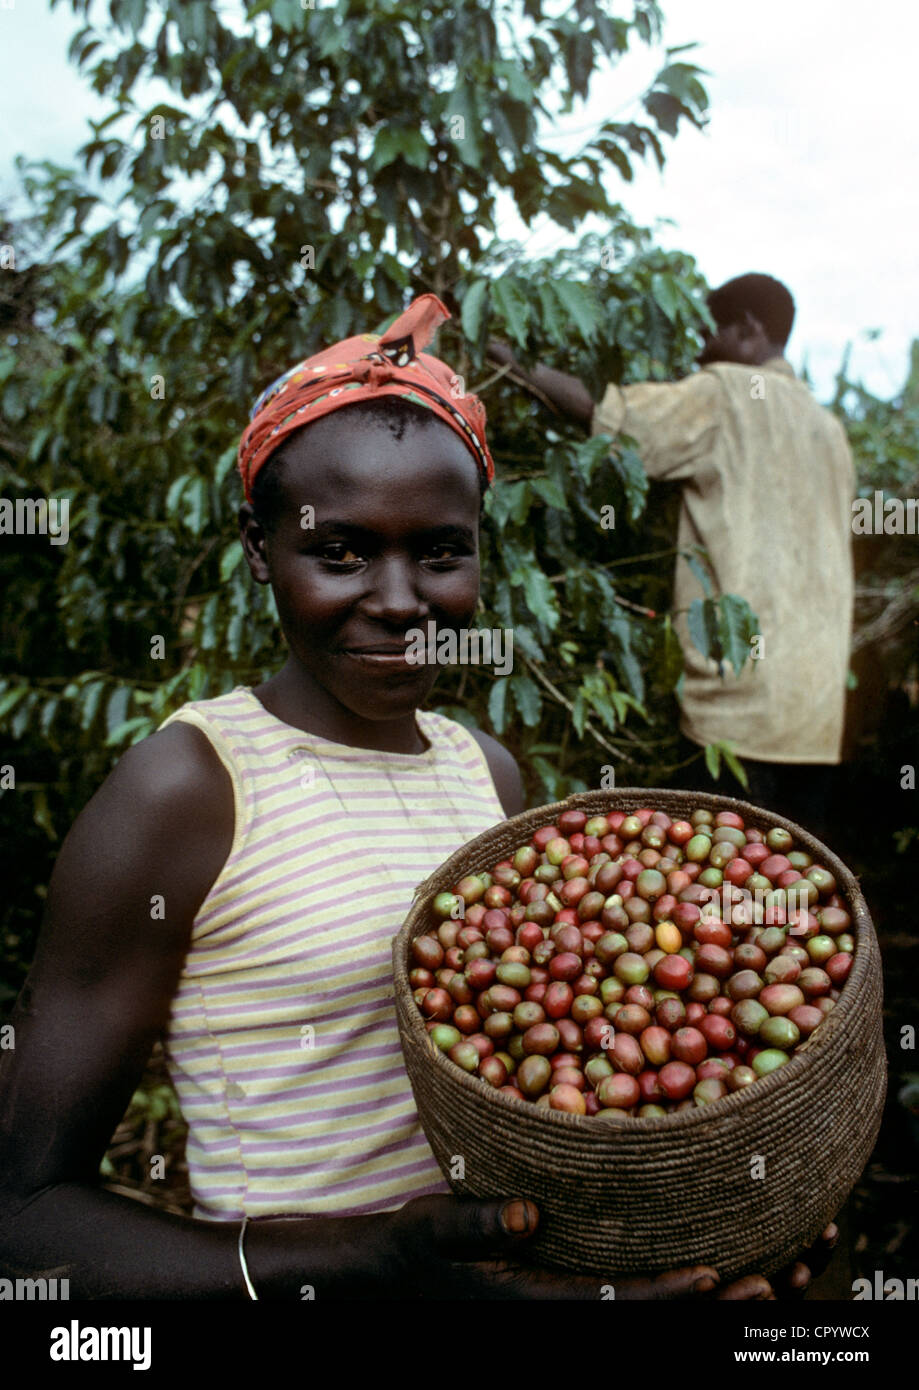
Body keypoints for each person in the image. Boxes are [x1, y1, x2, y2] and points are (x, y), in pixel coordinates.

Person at [0, 294, 833, 1300]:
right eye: (340, 551)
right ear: (260, 550)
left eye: (440, 552)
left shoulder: (486, 772)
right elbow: (25, 1212)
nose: (399, 602)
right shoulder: (186, 790)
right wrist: (369, 1262)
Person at [489, 273, 856, 842]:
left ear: (747, 330)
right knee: (791, 892)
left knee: (717, 883)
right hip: (816, 713)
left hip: (736, 711)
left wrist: (505, 360)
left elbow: (608, 415)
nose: (698, 351)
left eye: (708, 333)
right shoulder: (829, 428)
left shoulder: (725, 392)